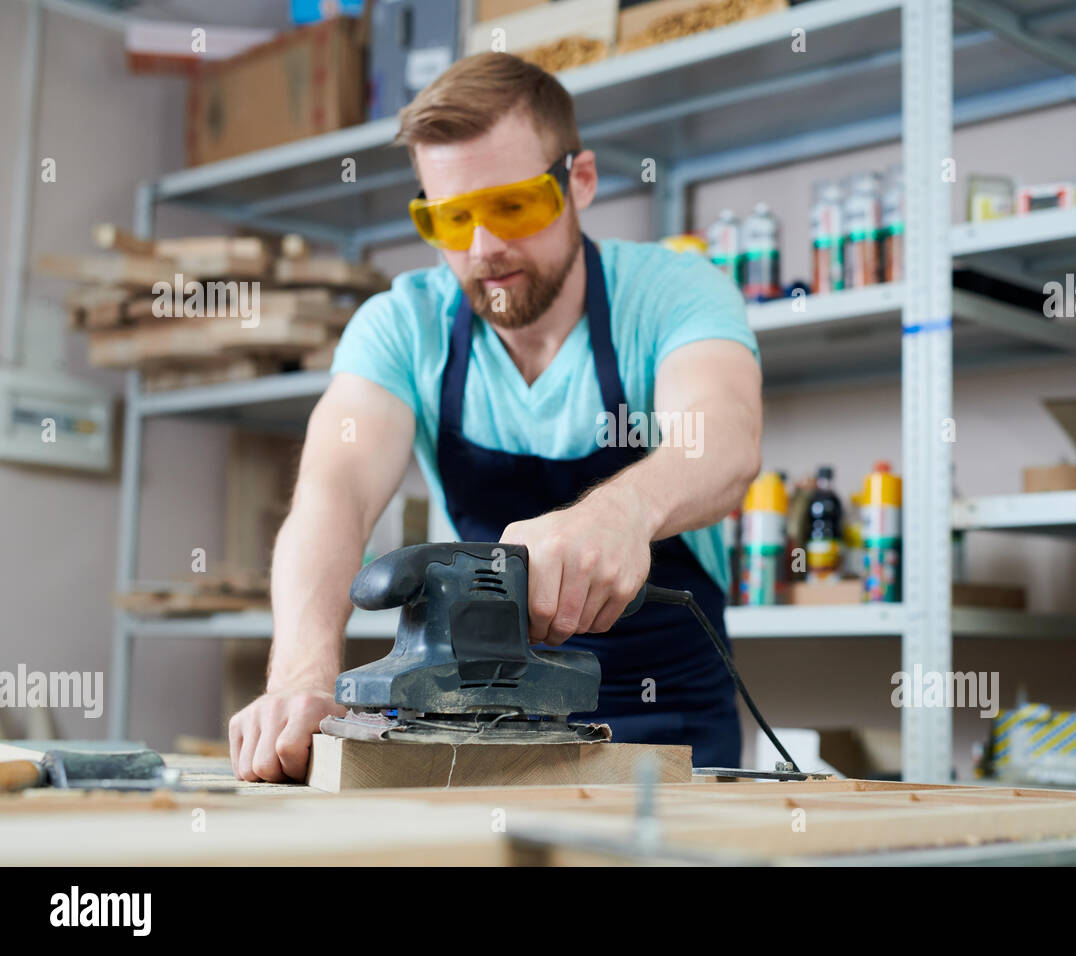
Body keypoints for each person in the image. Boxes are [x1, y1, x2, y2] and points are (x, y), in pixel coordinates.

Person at [228, 52, 762, 782]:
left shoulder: (672, 292)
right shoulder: (401, 326)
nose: (485, 250)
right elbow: (334, 493)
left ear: (579, 181)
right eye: (451, 219)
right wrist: (300, 677)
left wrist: (623, 512)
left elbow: (723, 438)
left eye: (513, 207)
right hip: (477, 724)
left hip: (669, 724)